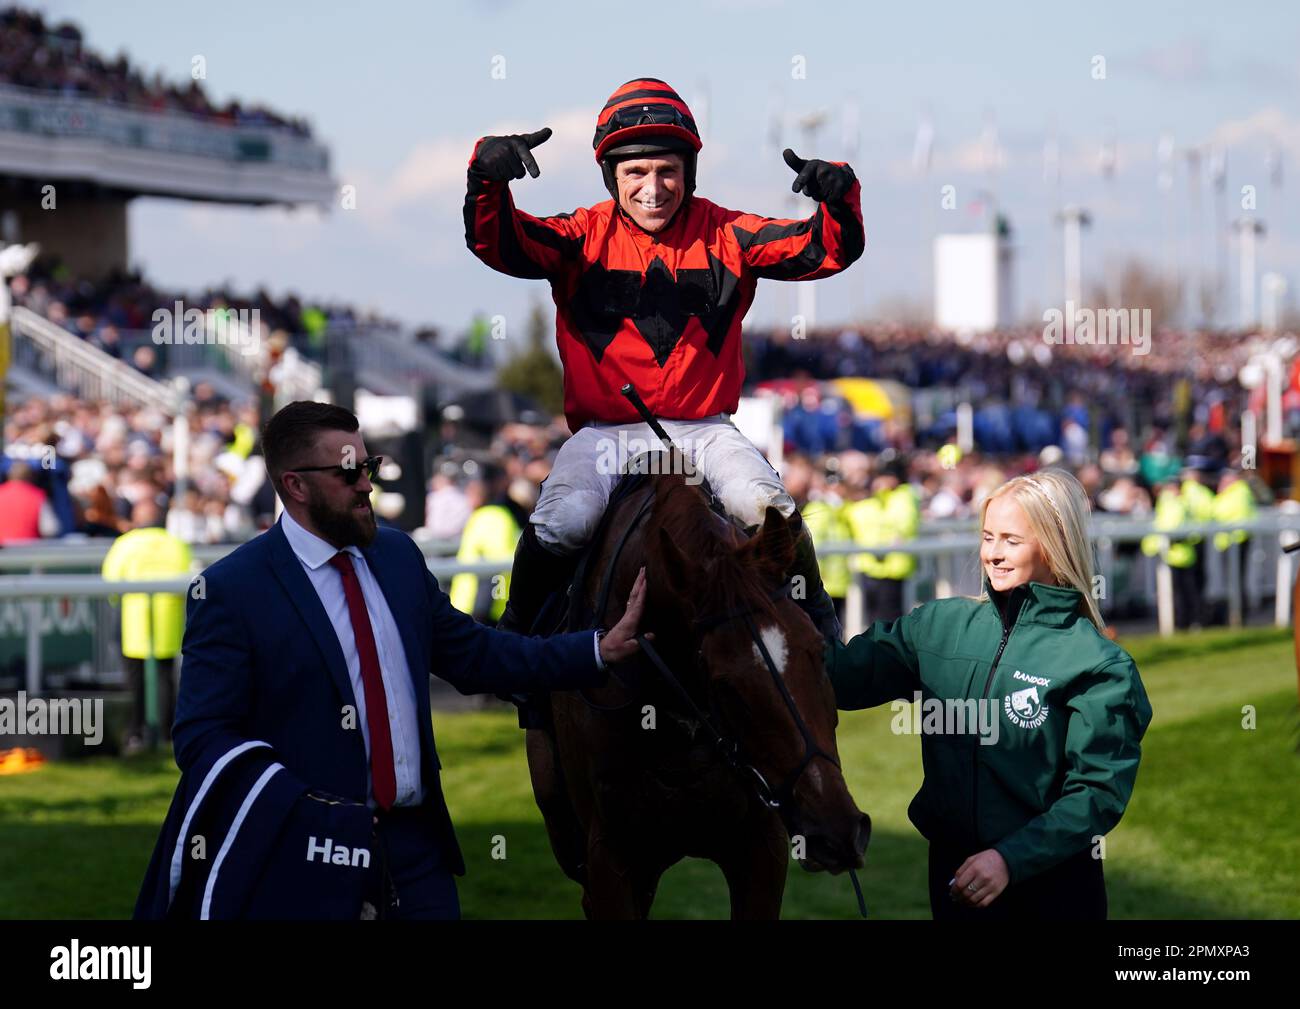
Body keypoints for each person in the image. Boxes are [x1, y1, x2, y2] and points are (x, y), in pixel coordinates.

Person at [151, 401, 650, 919]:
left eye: (368, 467)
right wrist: (309, 813)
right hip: (308, 859)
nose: (366, 485)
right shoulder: (233, 589)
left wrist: (596, 649)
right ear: (295, 486)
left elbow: (476, 654)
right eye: (348, 472)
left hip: (418, 853)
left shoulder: (396, 556)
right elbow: (203, 737)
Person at [464, 76, 865, 645]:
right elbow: (500, 244)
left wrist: (838, 197)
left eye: (667, 171)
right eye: (635, 173)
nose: (652, 188)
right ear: (612, 178)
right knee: (564, 522)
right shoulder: (579, 236)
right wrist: (487, 178)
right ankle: (521, 637)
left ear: (688, 174)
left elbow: (824, 250)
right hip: (605, 435)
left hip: (705, 431)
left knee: (766, 506)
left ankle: (818, 629)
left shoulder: (730, 232)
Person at [826, 470, 1151, 919]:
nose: (993, 554)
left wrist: (1009, 860)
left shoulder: (1099, 664)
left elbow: (1095, 795)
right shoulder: (937, 626)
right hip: (954, 882)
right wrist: (794, 582)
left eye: (1011, 541)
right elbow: (837, 678)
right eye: (987, 537)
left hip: (1053, 890)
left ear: (1054, 546)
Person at [102, 499, 192, 751]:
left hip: (133, 621)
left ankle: (135, 732)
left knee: (135, 680)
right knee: (165, 678)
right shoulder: (176, 544)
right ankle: (166, 733)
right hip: (168, 622)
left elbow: (111, 582)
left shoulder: (126, 543)